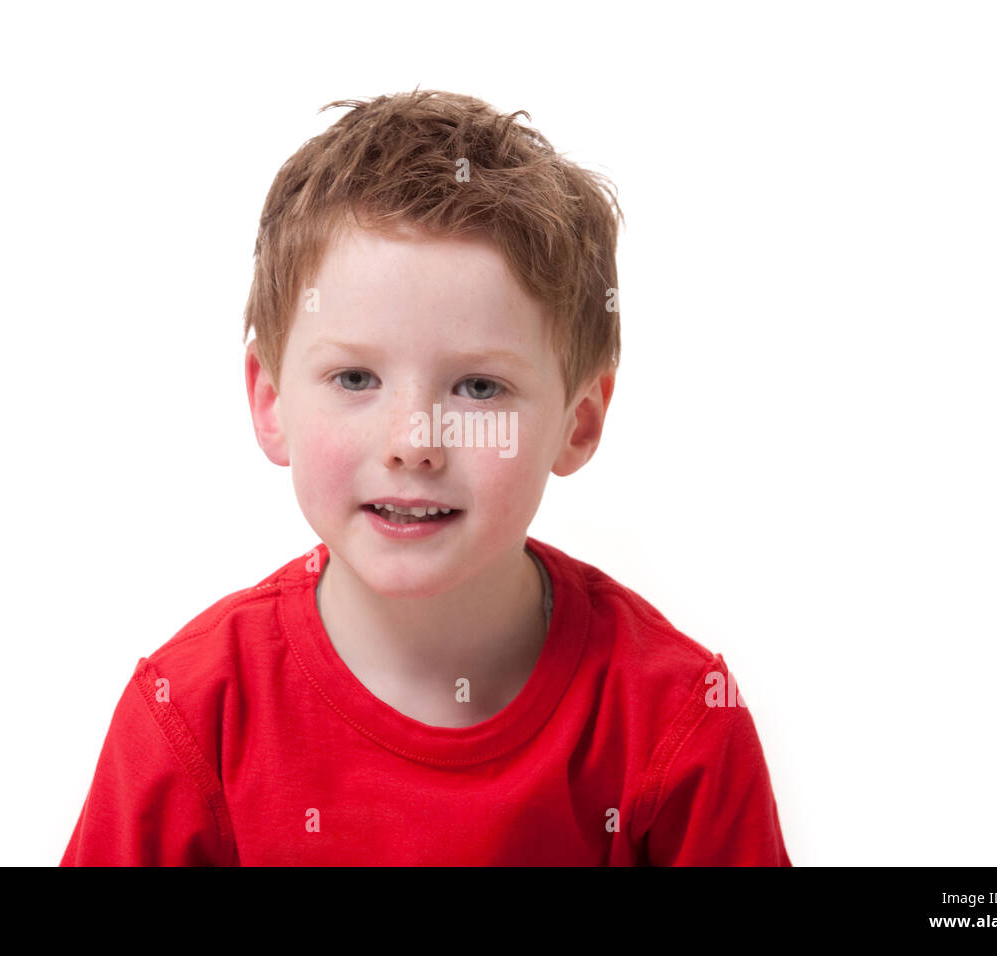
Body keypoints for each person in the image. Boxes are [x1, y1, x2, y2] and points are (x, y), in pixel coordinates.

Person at [60, 89, 790, 865]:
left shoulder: (679, 723)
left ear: (578, 421)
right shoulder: (191, 716)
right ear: (270, 402)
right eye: (353, 379)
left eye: (478, 388)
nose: (414, 442)